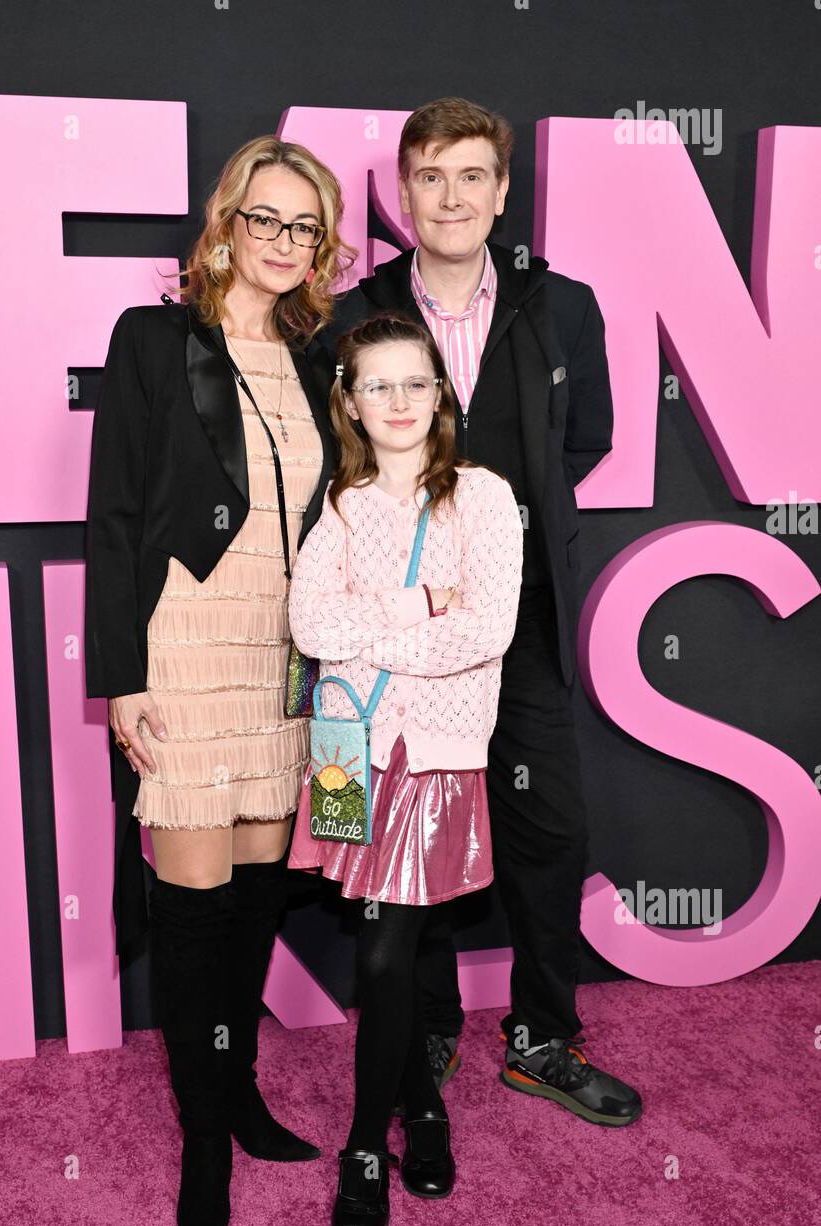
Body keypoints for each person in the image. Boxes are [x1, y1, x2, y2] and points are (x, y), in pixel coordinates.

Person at [317, 97, 642, 1128]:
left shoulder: (565, 308)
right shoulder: (354, 310)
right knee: (413, 829)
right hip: (402, 632)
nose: (449, 197)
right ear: (400, 194)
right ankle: (427, 1021)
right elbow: (340, 460)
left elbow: (580, 439)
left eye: (470, 177)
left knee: (548, 829)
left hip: (526, 619)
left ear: (502, 192)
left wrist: (490, 537)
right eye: (427, 177)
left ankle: (541, 1035)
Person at [84, 135, 357, 1226]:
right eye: (268, 219)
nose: (286, 243)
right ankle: (202, 1129)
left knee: (254, 895)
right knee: (192, 906)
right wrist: (119, 681)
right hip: (186, 644)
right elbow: (109, 516)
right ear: (228, 222)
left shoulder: (320, 352)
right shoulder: (154, 340)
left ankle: (236, 1085)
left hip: (284, 657)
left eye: (307, 227)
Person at [287, 312, 524, 1226]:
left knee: (386, 948)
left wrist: (372, 625)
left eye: (413, 382)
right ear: (348, 401)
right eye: (375, 385)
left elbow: (487, 633)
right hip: (347, 752)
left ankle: (359, 1143)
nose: (396, 401)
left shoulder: (483, 498)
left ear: (440, 393)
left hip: (433, 751)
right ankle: (421, 1111)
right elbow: (311, 627)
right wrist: (421, 601)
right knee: (392, 939)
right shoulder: (342, 507)